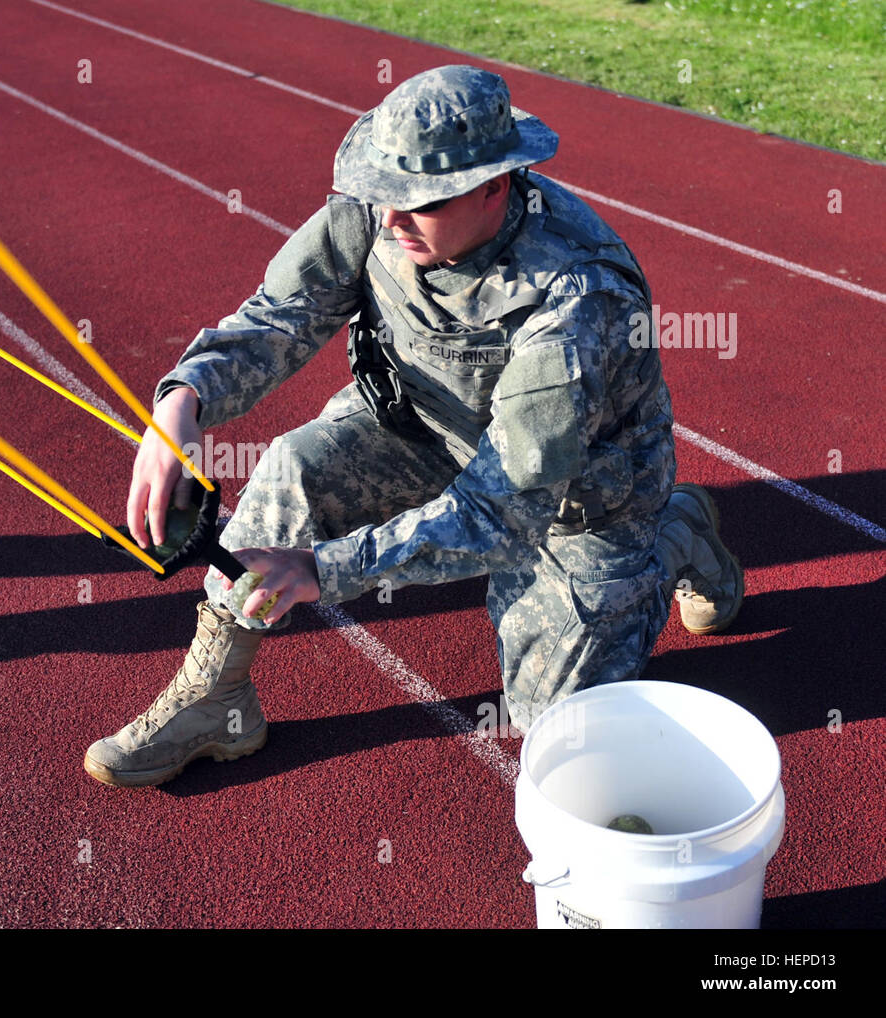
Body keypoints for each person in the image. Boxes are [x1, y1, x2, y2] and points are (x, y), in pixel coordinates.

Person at [82, 65, 743, 788]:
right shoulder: (380, 206)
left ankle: (673, 536)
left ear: (496, 186)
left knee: (552, 724)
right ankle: (218, 699)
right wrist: (183, 401)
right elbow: (282, 315)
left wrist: (320, 569)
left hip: (566, 500)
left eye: (419, 203)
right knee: (289, 472)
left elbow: (501, 511)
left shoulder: (576, 302)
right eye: (383, 195)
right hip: (421, 428)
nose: (390, 221)